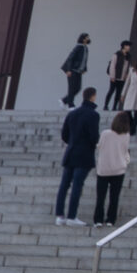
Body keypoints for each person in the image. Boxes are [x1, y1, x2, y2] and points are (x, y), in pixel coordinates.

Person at [55, 88, 101, 226]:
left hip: (71, 152)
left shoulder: (73, 114)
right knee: (77, 185)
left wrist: (73, 142)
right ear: (93, 97)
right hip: (84, 154)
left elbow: (64, 134)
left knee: (64, 185)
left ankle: (60, 215)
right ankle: (72, 216)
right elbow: (94, 136)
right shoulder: (93, 115)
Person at [93, 109, 135, 227]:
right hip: (119, 169)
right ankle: (111, 219)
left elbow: (99, 146)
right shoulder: (126, 135)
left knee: (101, 196)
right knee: (114, 196)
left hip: (104, 169)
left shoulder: (106, 133)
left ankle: (98, 220)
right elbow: (125, 150)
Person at [60, 33, 92, 109]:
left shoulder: (85, 48)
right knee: (72, 88)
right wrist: (68, 70)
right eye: (87, 37)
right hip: (72, 70)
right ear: (83, 39)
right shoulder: (78, 47)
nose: (88, 39)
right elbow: (70, 58)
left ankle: (64, 100)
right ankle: (70, 105)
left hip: (78, 71)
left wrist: (84, 69)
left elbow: (84, 60)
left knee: (78, 88)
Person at [105, 39, 134, 110]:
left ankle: (115, 107)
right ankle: (106, 105)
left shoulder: (128, 56)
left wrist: (127, 75)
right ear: (124, 46)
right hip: (115, 77)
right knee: (111, 91)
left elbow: (128, 66)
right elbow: (112, 65)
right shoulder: (117, 54)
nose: (129, 47)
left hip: (122, 78)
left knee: (118, 93)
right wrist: (112, 76)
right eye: (128, 46)